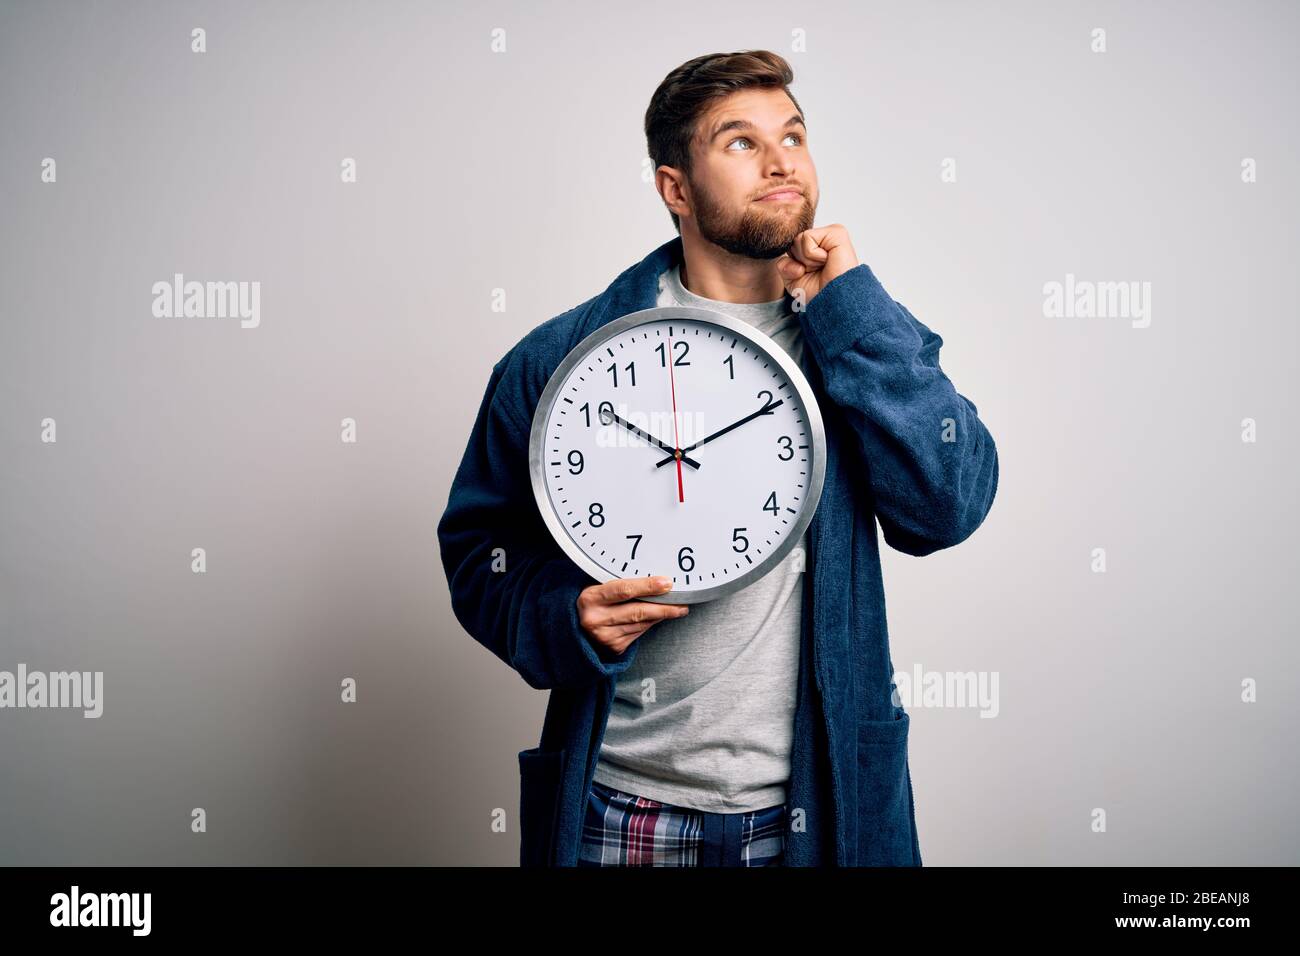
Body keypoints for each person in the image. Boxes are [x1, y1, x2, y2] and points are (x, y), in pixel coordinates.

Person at [437, 50, 999, 867]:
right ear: (675, 189)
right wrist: (567, 615)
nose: (781, 162)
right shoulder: (560, 358)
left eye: (794, 136)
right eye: (741, 143)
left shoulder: (858, 336)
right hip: (621, 807)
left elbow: (946, 508)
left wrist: (853, 309)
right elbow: (479, 556)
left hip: (819, 812)